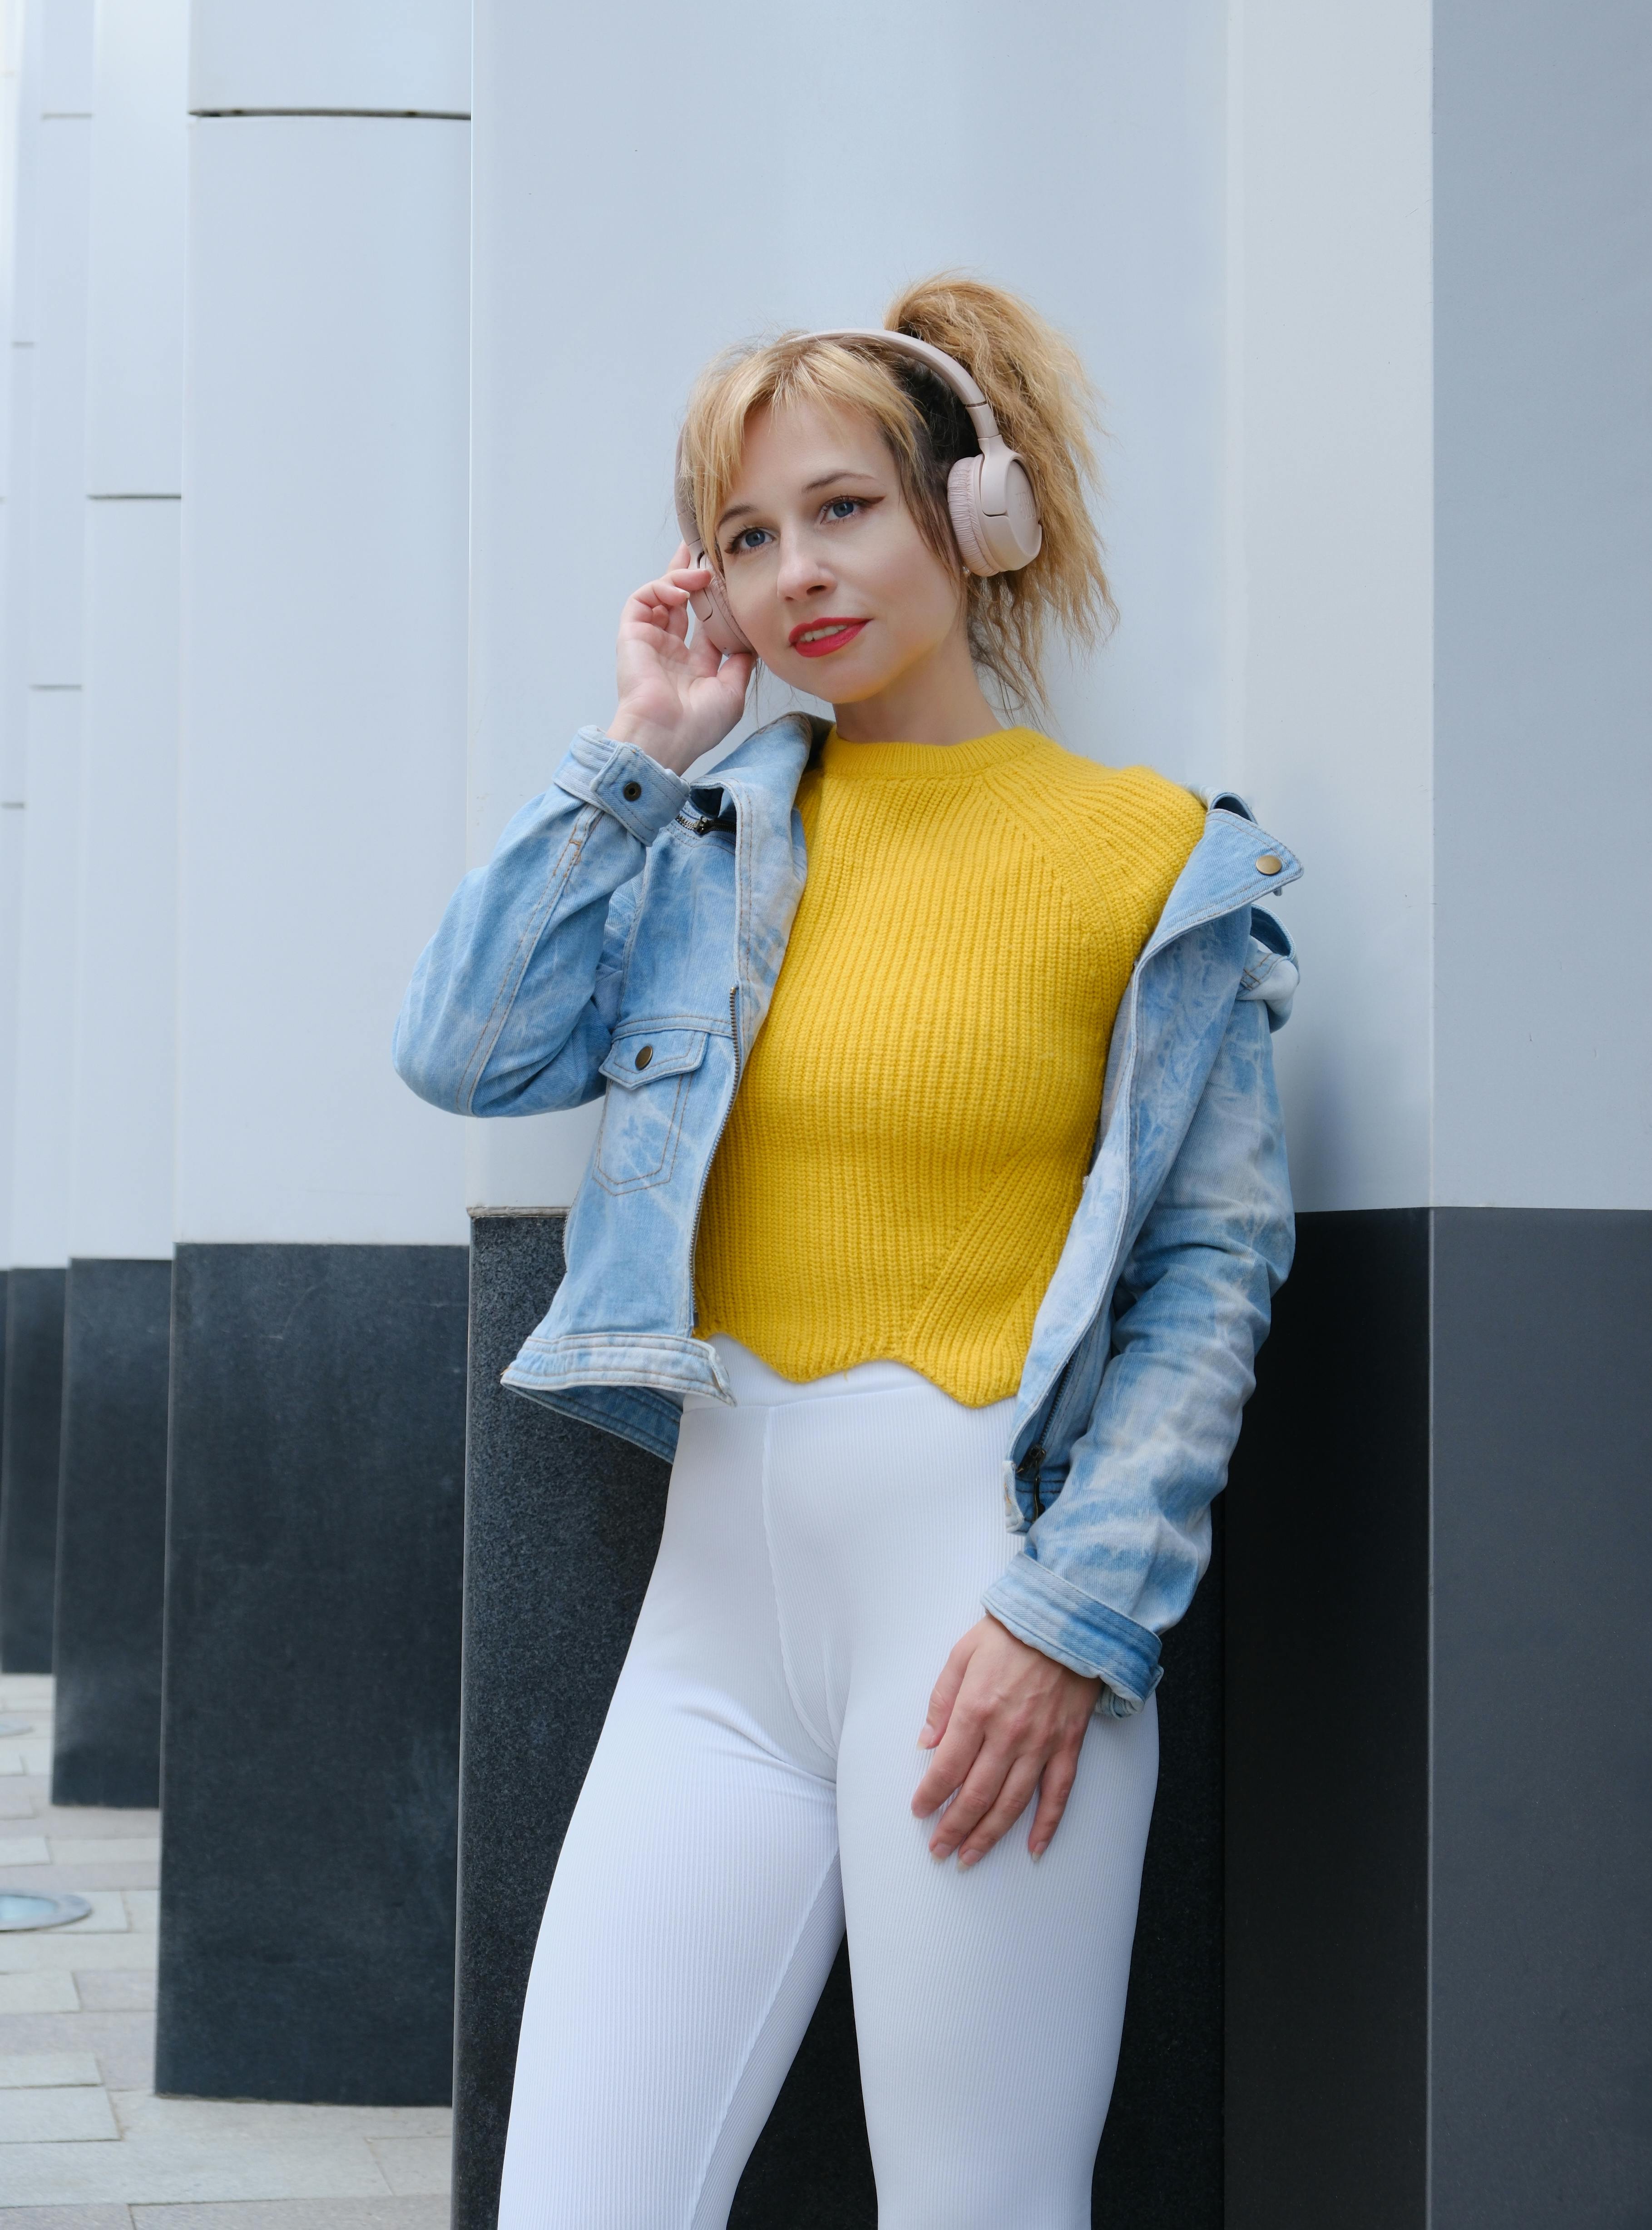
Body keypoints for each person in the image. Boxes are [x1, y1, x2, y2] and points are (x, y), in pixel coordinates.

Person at [394, 275, 1300, 2229]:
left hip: (984, 1628)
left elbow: (1208, 1281)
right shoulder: (703, 839)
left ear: (975, 517)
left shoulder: (1151, 856)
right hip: (708, 1643)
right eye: (745, 533)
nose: (794, 571)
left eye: (842, 509)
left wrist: (1077, 1615)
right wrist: (633, 748)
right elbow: (461, 1052)